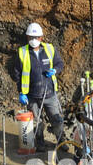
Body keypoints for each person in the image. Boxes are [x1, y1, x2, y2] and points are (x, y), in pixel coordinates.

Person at [16, 22, 65, 151]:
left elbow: (60, 63)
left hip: (49, 94)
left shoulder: (49, 49)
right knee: (37, 122)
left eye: (36, 37)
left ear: (41, 37)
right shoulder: (23, 52)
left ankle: (61, 141)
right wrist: (21, 92)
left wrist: (55, 70)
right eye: (31, 37)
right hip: (32, 95)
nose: (34, 40)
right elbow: (17, 74)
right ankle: (40, 144)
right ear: (27, 38)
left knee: (57, 119)